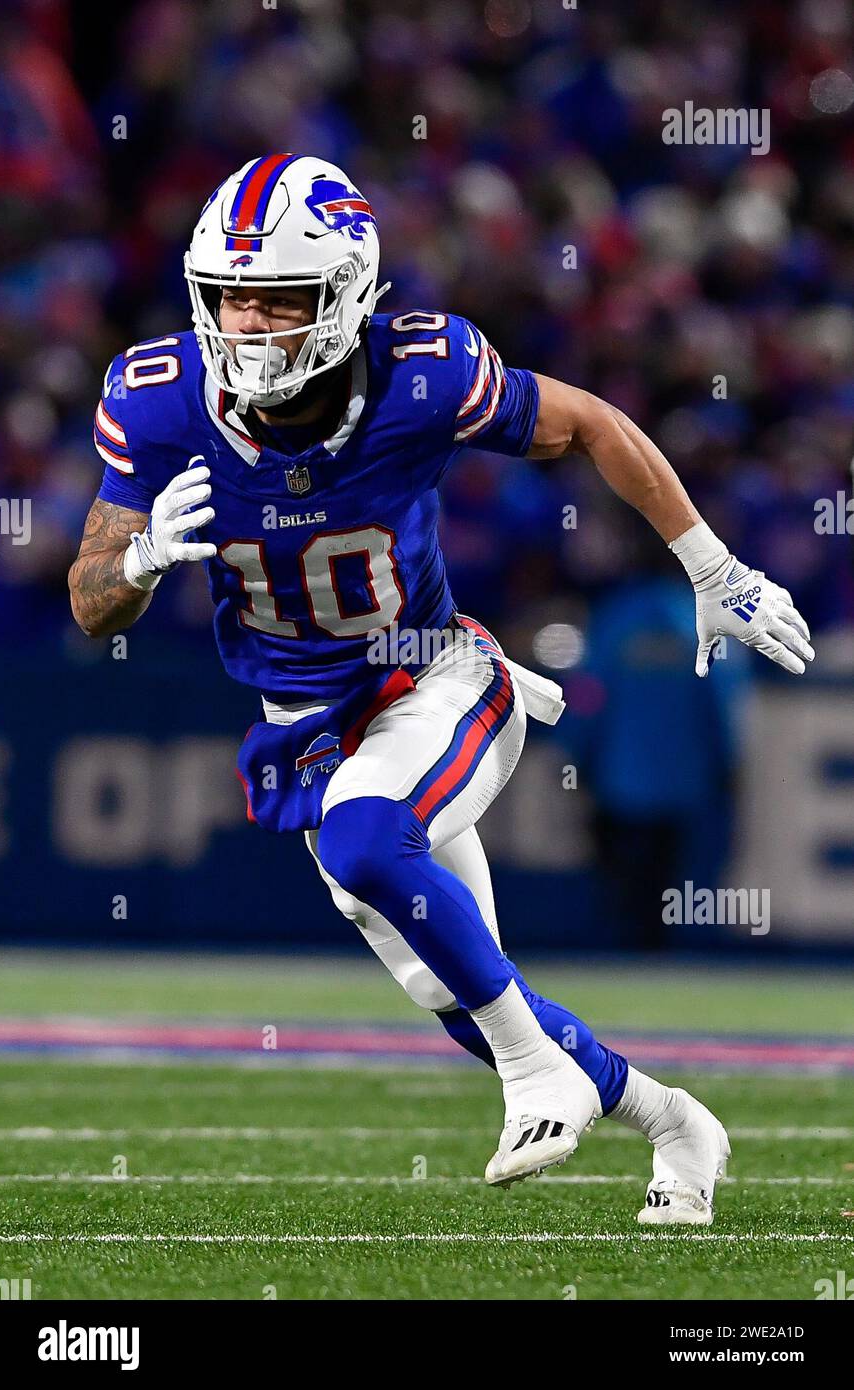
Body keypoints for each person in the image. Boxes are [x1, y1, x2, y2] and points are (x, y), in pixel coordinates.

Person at [69, 154, 814, 1223]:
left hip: (433, 674)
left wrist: (711, 566)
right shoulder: (156, 403)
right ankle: (672, 1120)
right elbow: (91, 605)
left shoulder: (419, 373)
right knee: (456, 984)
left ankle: (535, 1075)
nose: (249, 322)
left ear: (345, 298)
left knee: (367, 837)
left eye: (280, 297)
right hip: (306, 725)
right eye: (231, 294)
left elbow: (590, 421)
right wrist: (138, 563)